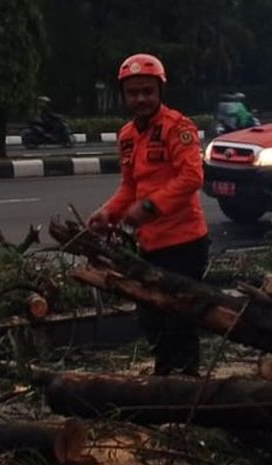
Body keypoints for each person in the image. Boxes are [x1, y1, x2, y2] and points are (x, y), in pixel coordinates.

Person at [87, 53, 208, 376]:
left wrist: (150, 207)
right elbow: (130, 186)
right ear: (123, 95)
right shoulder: (127, 136)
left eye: (147, 91)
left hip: (184, 244)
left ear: (160, 91)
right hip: (150, 245)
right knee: (150, 317)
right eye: (133, 92)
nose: (140, 99)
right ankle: (163, 378)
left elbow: (192, 177)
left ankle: (186, 383)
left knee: (180, 319)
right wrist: (108, 213)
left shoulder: (177, 127)